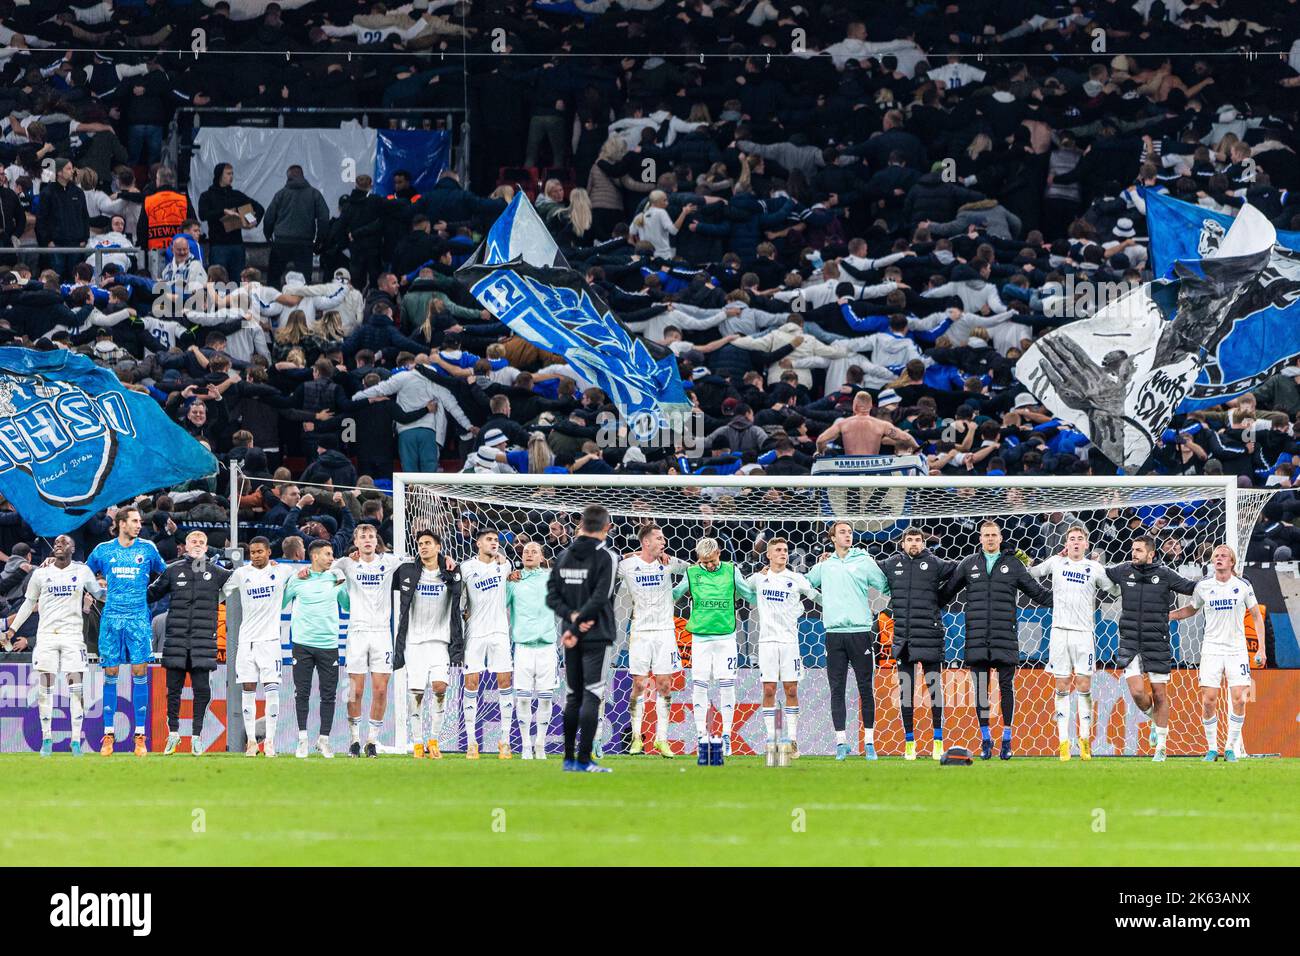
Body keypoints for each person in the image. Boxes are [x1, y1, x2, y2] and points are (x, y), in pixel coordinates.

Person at [942, 520, 1053, 760]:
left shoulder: (1013, 564)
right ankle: (985, 740)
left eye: (994, 535)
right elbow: (946, 593)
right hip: (977, 636)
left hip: (1005, 635)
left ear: (1001, 539)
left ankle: (1006, 740)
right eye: (986, 535)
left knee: (1006, 688)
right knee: (981, 690)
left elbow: (1038, 593)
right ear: (980, 538)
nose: (990, 539)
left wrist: (1069, 596)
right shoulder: (968, 564)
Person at [4, 535, 103, 757]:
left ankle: (76, 741)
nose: (58, 545)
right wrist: (12, 630)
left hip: (73, 636)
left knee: (76, 689)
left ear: (73, 548)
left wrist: (123, 591)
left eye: (64, 542)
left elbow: (99, 593)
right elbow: (28, 604)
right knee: (45, 689)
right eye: (56, 543)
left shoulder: (82, 572)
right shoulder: (41, 573)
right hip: (47, 636)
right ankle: (46, 738)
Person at [1029, 525, 1119, 761]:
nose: (1076, 542)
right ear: (1066, 544)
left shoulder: (1095, 568)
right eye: (1072, 539)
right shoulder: (1056, 563)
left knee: (1083, 685)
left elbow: (1115, 590)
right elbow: (1032, 572)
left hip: (1084, 634)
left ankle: (1085, 739)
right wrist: (1023, 558)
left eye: (1080, 539)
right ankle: (1063, 743)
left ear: (1087, 545)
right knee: (1061, 686)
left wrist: (1111, 571)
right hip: (1059, 632)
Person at [1169, 545, 1264, 762]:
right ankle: (1212, 748)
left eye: (1224, 556)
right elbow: (1191, 609)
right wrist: (1169, 616)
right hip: (1211, 648)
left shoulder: (1242, 586)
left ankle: (1230, 747)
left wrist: (1261, 647)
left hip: (1236, 649)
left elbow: (1256, 616)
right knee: (1209, 700)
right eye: (1216, 556)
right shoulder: (1204, 586)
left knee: (1239, 698)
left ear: (1232, 562)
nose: (1219, 559)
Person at [1107, 534, 1197, 761]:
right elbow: (1099, 573)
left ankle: (1161, 748)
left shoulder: (1165, 574)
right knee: (1137, 693)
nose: (1133, 553)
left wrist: (1217, 582)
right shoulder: (1123, 570)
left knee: (1159, 694)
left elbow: (1190, 588)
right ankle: (1155, 721)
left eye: (1138, 550)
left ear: (1151, 553)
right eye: (1132, 549)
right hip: (1129, 642)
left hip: (1156, 641)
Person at [86, 506, 167, 757]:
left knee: (139, 671)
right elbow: (83, 574)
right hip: (111, 618)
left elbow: (167, 574)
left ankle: (140, 736)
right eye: (134, 521)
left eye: (139, 521)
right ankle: (108, 736)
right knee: (110, 672)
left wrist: (151, 594)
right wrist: (98, 589)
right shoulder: (103, 550)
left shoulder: (148, 549)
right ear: (121, 523)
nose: (138, 525)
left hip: (138, 619)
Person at [806, 520, 890, 760]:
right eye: (842, 532)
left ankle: (870, 743)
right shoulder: (825, 565)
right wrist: (823, 600)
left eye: (850, 532)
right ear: (832, 538)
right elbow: (804, 584)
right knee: (837, 689)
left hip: (861, 633)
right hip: (834, 634)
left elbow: (884, 585)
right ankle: (841, 743)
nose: (848, 535)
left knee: (866, 688)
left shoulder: (863, 561)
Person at [547, 504, 620, 773]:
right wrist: (580, 625)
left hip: (568, 635)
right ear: (606, 527)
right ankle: (584, 759)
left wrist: (571, 622)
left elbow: (553, 596)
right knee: (592, 694)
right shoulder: (607, 557)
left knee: (572, 696)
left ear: (581, 525)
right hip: (595, 634)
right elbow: (602, 597)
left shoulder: (564, 556)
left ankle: (568, 758)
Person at [319, 524, 402, 758]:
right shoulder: (346, 564)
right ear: (355, 542)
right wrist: (344, 559)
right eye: (362, 537)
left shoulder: (389, 562)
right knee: (353, 690)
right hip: (357, 632)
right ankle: (354, 739)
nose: (367, 540)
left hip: (382, 633)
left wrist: (445, 558)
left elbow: (420, 560)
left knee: (381, 689)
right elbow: (323, 568)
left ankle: (372, 741)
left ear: (377, 541)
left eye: (371, 536)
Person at [147, 530, 232, 756]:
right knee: (173, 690)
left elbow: (245, 578)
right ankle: (173, 734)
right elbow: (150, 594)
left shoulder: (217, 572)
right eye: (193, 541)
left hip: (203, 641)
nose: (197, 545)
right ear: (185, 545)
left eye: (201, 542)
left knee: (202, 690)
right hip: (176, 639)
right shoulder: (172, 570)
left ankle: (196, 737)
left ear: (206, 548)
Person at [671, 536, 755, 759]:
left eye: (710, 560)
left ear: (719, 552)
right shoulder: (692, 572)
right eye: (703, 561)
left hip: (726, 637)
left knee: (726, 685)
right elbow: (675, 594)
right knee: (699, 685)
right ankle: (701, 736)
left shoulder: (731, 571)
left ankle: (726, 735)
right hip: (699, 638)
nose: (707, 565)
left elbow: (749, 594)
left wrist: (767, 587)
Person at [878, 527, 952, 761]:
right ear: (902, 543)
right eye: (909, 540)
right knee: (906, 692)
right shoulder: (891, 564)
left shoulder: (935, 563)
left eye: (918, 540)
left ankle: (938, 742)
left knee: (934, 691)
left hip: (929, 636)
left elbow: (961, 571)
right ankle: (910, 743)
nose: (914, 543)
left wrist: (942, 598)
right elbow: (864, 568)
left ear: (924, 543)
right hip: (904, 640)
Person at [745, 537, 819, 761]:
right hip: (767, 643)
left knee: (791, 691)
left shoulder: (796, 578)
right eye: (777, 550)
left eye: (785, 550)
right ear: (768, 555)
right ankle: (771, 739)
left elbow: (815, 596)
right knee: (768, 690)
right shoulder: (758, 579)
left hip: (790, 643)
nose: (783, 553)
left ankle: (793, 739)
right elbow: (739, 589)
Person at [616, 523, 687, 757]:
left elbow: (694, 570)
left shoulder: (668, 563)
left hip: (665, 631)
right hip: (640, 632)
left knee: (665, 684)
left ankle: (661, 739)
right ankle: (637, 738)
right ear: (646, 542)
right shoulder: (628, 565)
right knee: (639, 684)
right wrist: (631, 554)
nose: (663, 542)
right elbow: (604, 566)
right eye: (658, 538)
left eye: (664, 538)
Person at [392, 528, 462, 759]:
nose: (423, 546)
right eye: (421, 543)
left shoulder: (452, 572)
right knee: (417, 693)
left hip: (440, 641)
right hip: (414, 642)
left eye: (428, 543)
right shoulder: (407, 571)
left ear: (439, 547)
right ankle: (417, 743)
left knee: (440, 688)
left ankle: (434, 740)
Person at [282, 539, 350, 758]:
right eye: (328, 554)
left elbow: (347, 605)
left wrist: (343, 583)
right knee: (301, 693)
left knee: (328, 695)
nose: (332, 558)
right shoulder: (297, 578)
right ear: (315, 556)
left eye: (332, 555)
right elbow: (280, 602)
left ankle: (324, 740)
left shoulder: (335, 578)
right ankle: (302, 740)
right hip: (302, 644)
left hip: (329, 644)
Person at [223, 536, 288, 757]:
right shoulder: (242, 574)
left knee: (272, 689)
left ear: (269, 552)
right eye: (252, 552)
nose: (256, 555)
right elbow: (222, 592)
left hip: (270, 642)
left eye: (260, 551)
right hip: (246, 642)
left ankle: (269, 741)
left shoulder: (282, 571)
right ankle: (251, 741)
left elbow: (306, 573)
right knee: (248, 689)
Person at [459, 529, 514, 759]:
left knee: (505, 680)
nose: (494, 543)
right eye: (489, 540)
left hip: (500, 631)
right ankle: (472, 742)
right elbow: (459, 595)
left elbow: (508, 566)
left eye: (496, 541)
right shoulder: (466, 568)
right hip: (475, 633)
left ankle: (505, 741)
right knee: (471, 681)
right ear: (478, 543)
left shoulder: (505, 566)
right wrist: (463, 611)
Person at [507, 541, 558, 760]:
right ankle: (526, 745)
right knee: (524, 698)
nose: (529, 554)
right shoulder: (513, 581)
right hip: (523, 647)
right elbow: (500, 605)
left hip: (547, 646)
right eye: (526, 551)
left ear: (541, 557)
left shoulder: (551, 579)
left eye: (534, 551)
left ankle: (541, 745)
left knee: (546, 697)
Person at [263, 165, 329, 287]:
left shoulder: (281, 194)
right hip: (304, 244)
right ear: (302, 176)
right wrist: (319, 240)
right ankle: (302, 305)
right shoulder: (314, 194)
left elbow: (269, 218)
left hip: (281, 243)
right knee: (305, 281)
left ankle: (275, 303)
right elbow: (324, 218)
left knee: (273, 278)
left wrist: (268, 236)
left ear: (288, 177)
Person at [198, 162, 264, 280]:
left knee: (238, 281)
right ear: (219, 176)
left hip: (236, 245)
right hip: (218, 245)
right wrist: (223, 212)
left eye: (232, 173)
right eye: (228, 173)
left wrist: (253, 222)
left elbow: (258, 208)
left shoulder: (236, 196)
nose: (231, 176)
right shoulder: (207, 196)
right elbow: (203, 215)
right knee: (218, 282)